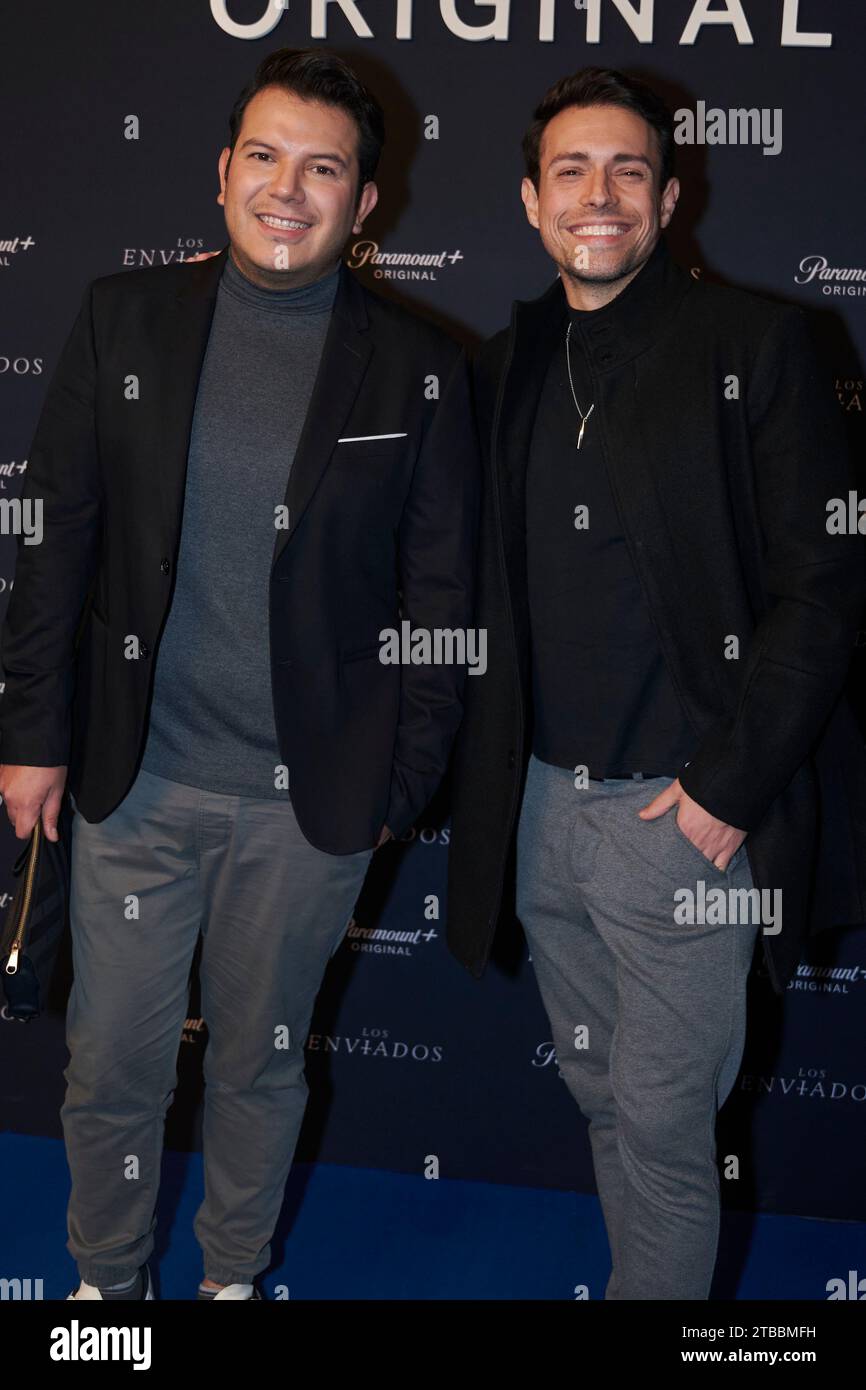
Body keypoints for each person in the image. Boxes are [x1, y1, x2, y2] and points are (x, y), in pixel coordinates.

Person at [0, 47, 477, 1301]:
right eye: (263, 156)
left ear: (363, 203)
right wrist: (31, 736)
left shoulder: (419, 366)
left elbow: (443, 598)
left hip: (305, 805)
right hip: (135, 783)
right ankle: (109, 1289)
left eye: (322, 168)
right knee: (111, 1065)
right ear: (221, 172)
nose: (287, 187)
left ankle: (227, 1282)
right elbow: (55, 542)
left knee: (261, 1067)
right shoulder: (122, 317)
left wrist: (399, 781)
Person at [446, 66, 866, 1300]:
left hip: (680, 824)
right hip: (536, 811)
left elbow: (827, 584)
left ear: (668, 196)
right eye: (569, 170)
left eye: (627, 168)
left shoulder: (763, 344)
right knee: (600, 1096)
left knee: (667, 1127)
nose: (598, 193)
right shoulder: (505, 362)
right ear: (530, 201)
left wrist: (722, 790)